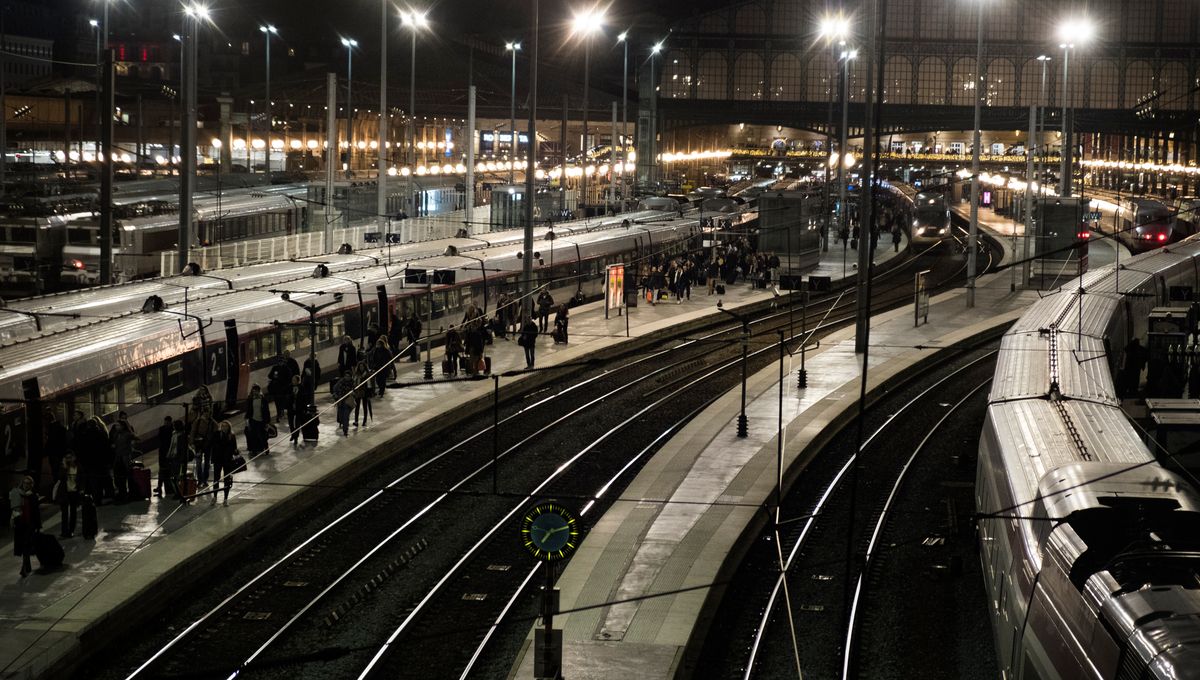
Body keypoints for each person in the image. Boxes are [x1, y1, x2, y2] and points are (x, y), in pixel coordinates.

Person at [13, 476, 40, 577]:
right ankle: (27, 566)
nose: (26, 485)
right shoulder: (18, 495)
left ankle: (24, 568)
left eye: (28, 483)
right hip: (20, 524)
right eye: (24, 483)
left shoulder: (33, 496)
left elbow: (36, 512)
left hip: (30, 524)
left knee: (26, 545)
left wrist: (38, 525)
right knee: (24, 546)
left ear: (31, 485)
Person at [110, 414, 138, 503]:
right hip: (118, 456)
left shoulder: (127, 434)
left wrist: (128, 425)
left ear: (122, 426)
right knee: (118, 475)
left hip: (125, 456)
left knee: (128, 473)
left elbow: (136, 437)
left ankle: (131, 492)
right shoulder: (116, 434)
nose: (116, 427)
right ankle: (122, 492)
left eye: (118, 425)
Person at [209, 421, 238, 506]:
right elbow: (212, 446)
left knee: (227, 479)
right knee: (216, 479)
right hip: (218, 460)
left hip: (227, 460)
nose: (224, 428)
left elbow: (234, 448)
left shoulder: (232, 436)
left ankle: (225, 498)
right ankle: (214, 497)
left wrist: (236, 452)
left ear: (229, 427)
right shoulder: (216, 434)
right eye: (223, 426)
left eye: (226, 426)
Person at [189, 408, 215, 488]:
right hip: (199, 445)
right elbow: (193, 432)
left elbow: (216, 429)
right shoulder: (198, 421)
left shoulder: (211, 422)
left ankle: (205, 480)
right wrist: (192, 443)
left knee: (207, 463)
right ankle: (200, 480)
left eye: (209, 413)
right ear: (203, 413)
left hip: (208, 445)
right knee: (198, 463)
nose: (207, 415)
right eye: (206, 413)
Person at [57, 452, 81, 538]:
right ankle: (64, 531)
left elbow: (81, 479)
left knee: (73, 512)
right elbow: (60, 477)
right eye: (67, 458)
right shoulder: (63, 467)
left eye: (70, 457)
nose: (69, 459)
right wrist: (64, 466)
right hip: (65, 492)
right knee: (64, 513)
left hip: (74, 492)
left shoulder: (78, 467)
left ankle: (71, 530)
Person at [44, 411, 68, 494]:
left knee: (56, 473)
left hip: (54, 455)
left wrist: (44, 452)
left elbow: (50, 443)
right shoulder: (61, 427)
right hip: (62, 454)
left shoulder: (51, 429)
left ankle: (59, 491)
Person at [165, 419, 189, 503]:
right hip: (173, 457)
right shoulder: (174, 434)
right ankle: (177, 492)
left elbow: (181, 449)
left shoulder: (182, 436)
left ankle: (179, 493)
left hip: (178, 459)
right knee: (174, 476)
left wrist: (181, 459)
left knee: (177, 476)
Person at [245, 384, 271, 456]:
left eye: (256, 391)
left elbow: (267, 411)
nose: (255, 392)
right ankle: (254, 450)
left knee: (263, 436)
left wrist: (267, 421)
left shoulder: (263, 400)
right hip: (253, 420)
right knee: (253, 435)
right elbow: (248, 410)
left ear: (259, 391)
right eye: (253, 391)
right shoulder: (250, 399)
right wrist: (247, 419)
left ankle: (266, 448)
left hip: (261, 420)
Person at [286, 375, 311, 446]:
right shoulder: (289, 387)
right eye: (292, 380)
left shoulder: (302, 388)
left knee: (297, 424)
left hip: (299, 408)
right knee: (291, 423)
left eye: (294, 380)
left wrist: (304, 408)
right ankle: (293, 434)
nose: (292, 381)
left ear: (297, 381)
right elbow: (287, 397)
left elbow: (304, 399)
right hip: (291, 408)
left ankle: (296, 437)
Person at [267, 357, 292, 423]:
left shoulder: (287, 369)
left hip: (283, 389)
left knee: (281, 402)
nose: (280, 363)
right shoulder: (275, 368)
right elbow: (269, 375)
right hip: (276, 389)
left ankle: (280, 414)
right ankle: (279, 414)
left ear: (283, 362)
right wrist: (274, 377)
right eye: (279, 362)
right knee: (277, 402)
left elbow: (289, 379)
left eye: (281, 362)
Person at [332, 370, 356, 436]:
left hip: (348, 402)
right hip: (341, 401)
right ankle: (342, 423)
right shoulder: (340, 382)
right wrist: (335, 395)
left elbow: (355, 391)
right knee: (341, 416)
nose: (347, 377)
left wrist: (354, 394)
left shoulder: (352, 383)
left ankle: (345, 430)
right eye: (346, 376)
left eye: (348, 376)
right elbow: (335, 389)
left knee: (346, 416)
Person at [155, 416, 173, 496]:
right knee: (162, 470)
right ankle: (161, 487)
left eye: (167, 422)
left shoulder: (171, 429)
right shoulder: (163, 428)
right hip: (163, 452)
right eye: (165, 422)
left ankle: (164, 487)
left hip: (167, 452)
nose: (166, 423)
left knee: (166, 470)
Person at [353, 361, 373, 427]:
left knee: (365, 407)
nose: (361, 368)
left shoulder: (367, 375)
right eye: (360, 366)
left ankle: (364, 421)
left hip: (365, 393)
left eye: (362, 366)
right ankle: (356, 421)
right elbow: (354, 383)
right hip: (358, 393)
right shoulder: (356, 375)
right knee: (357, 407)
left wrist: (369, 394)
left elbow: (369, 385)